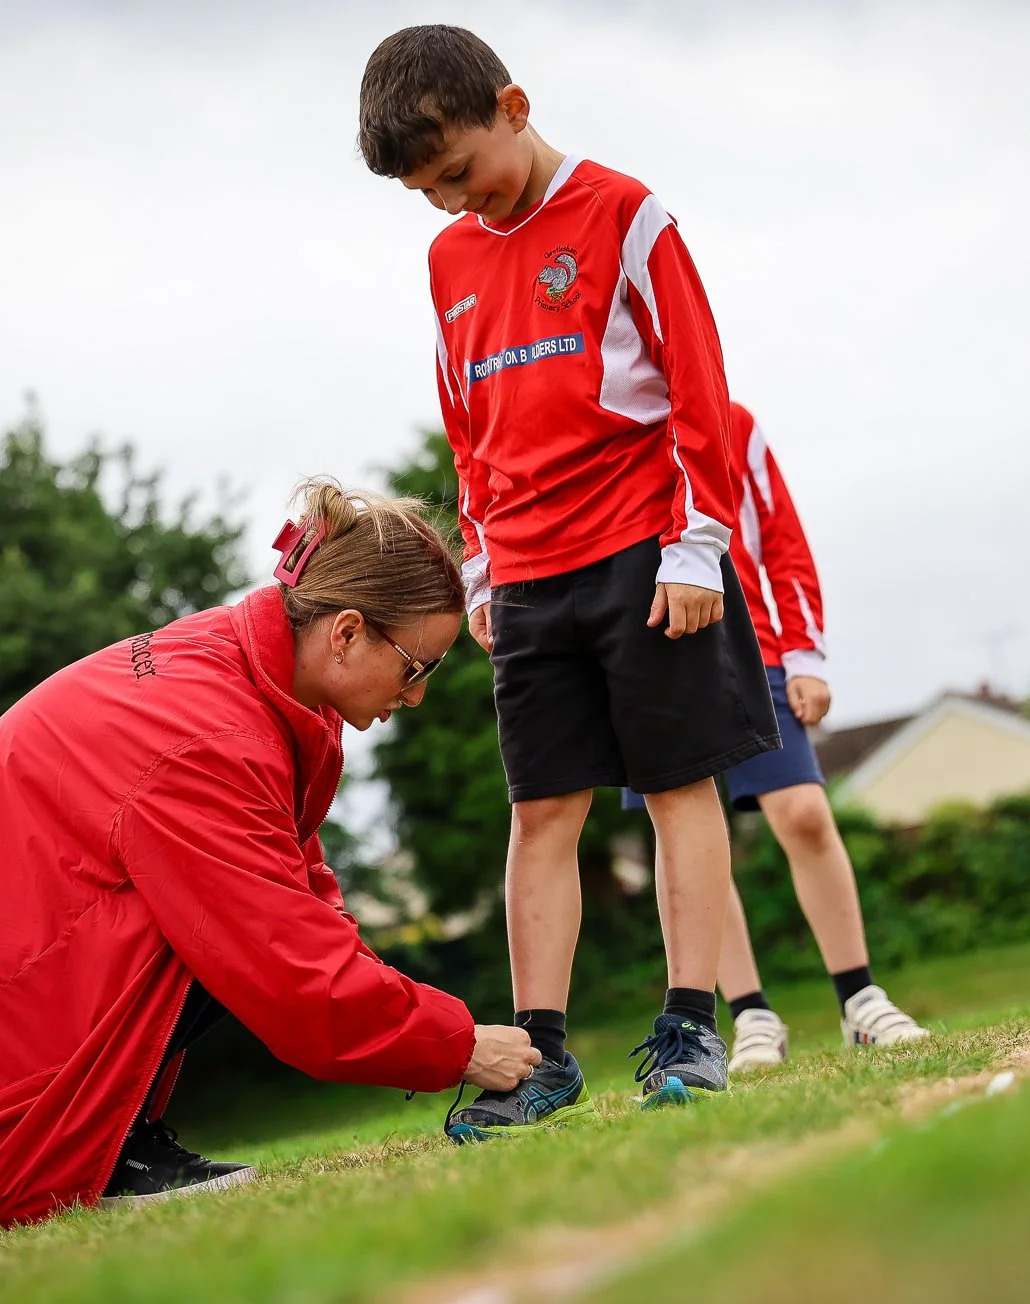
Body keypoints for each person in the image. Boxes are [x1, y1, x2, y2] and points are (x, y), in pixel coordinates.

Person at [0, 482, 542, 1226]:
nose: (416, 696)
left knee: (223, 914)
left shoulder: (250, 676)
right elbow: (287, 964)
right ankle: (103, 1163)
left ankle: (122, 1145)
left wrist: (393, 998)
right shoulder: (211, 737)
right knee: (219, 927)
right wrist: (458, 1044)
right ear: (345, 633)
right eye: (414, 667)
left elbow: (297, 885)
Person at [359, 26, 779, 1138]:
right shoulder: (448, 261)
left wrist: (698, 547)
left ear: (512, 104)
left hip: (648, 558)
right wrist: (483, 569)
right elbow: (466, 426)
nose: (451, 204)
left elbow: (702, 391)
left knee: (679, 791)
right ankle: (534, 1058)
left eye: (457, 172)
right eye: (426, 193)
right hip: (529, 578)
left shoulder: (626, 216)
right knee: (540, 810)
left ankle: (690, 1026)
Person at [622, 403, 928, 1071]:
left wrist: (805, 654)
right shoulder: (599, 417)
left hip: (751, 646)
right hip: (643, 647)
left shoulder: (729, 420)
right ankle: (751, 1014)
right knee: (685, 840)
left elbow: (779, 537)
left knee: (805, 814)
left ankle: (861, 999)